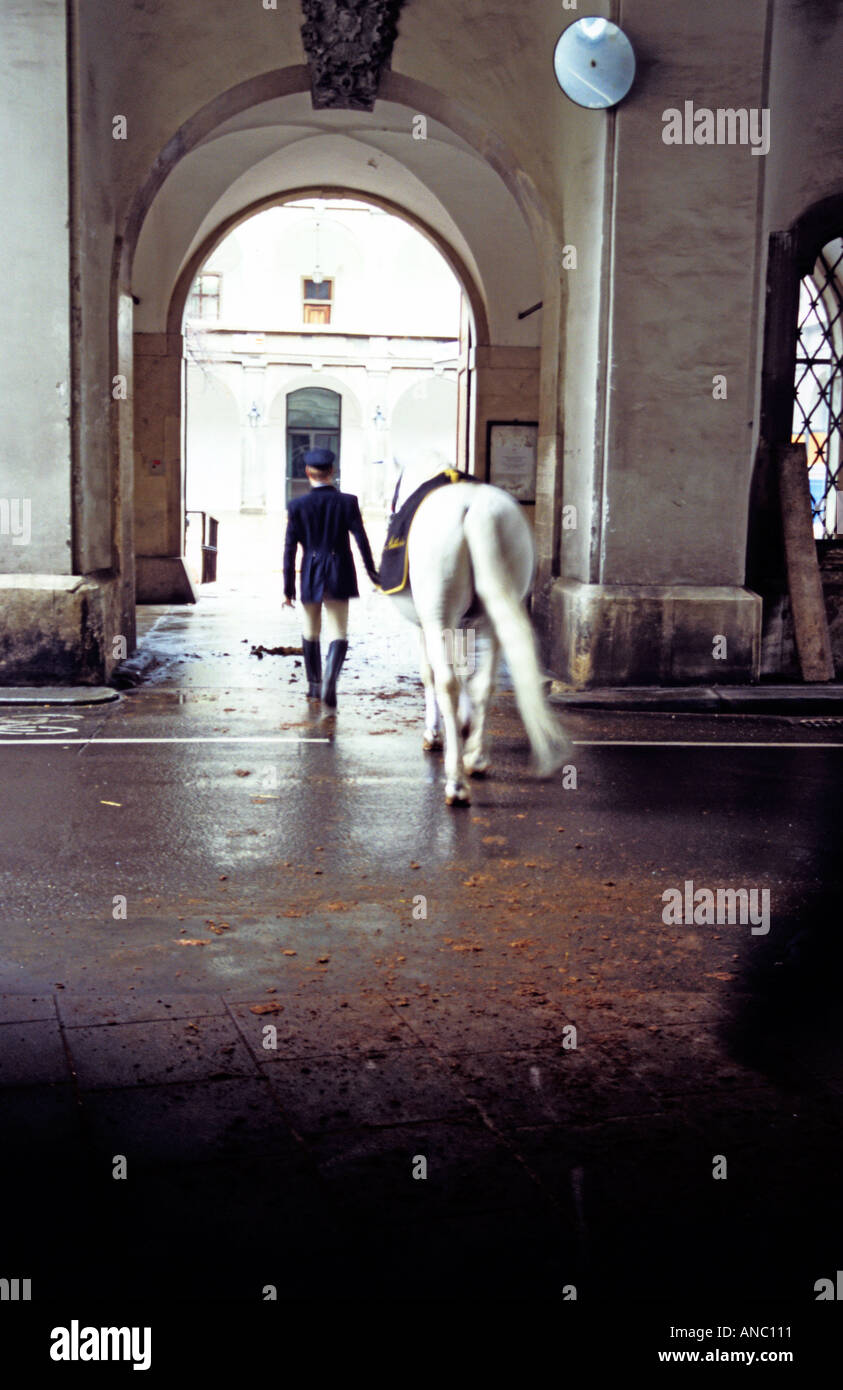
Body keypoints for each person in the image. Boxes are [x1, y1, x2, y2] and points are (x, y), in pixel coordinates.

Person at [282, 448, 380, 707]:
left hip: (311, 571)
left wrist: (288, 589)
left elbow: (290, 549)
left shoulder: (297, 506)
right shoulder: (347, 502)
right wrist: (373, 573)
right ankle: (330, 679)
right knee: (339, 630)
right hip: (340, 570)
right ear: (332, 472)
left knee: (310, 630)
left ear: (307, 473)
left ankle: (314, 686)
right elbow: (361, 539)